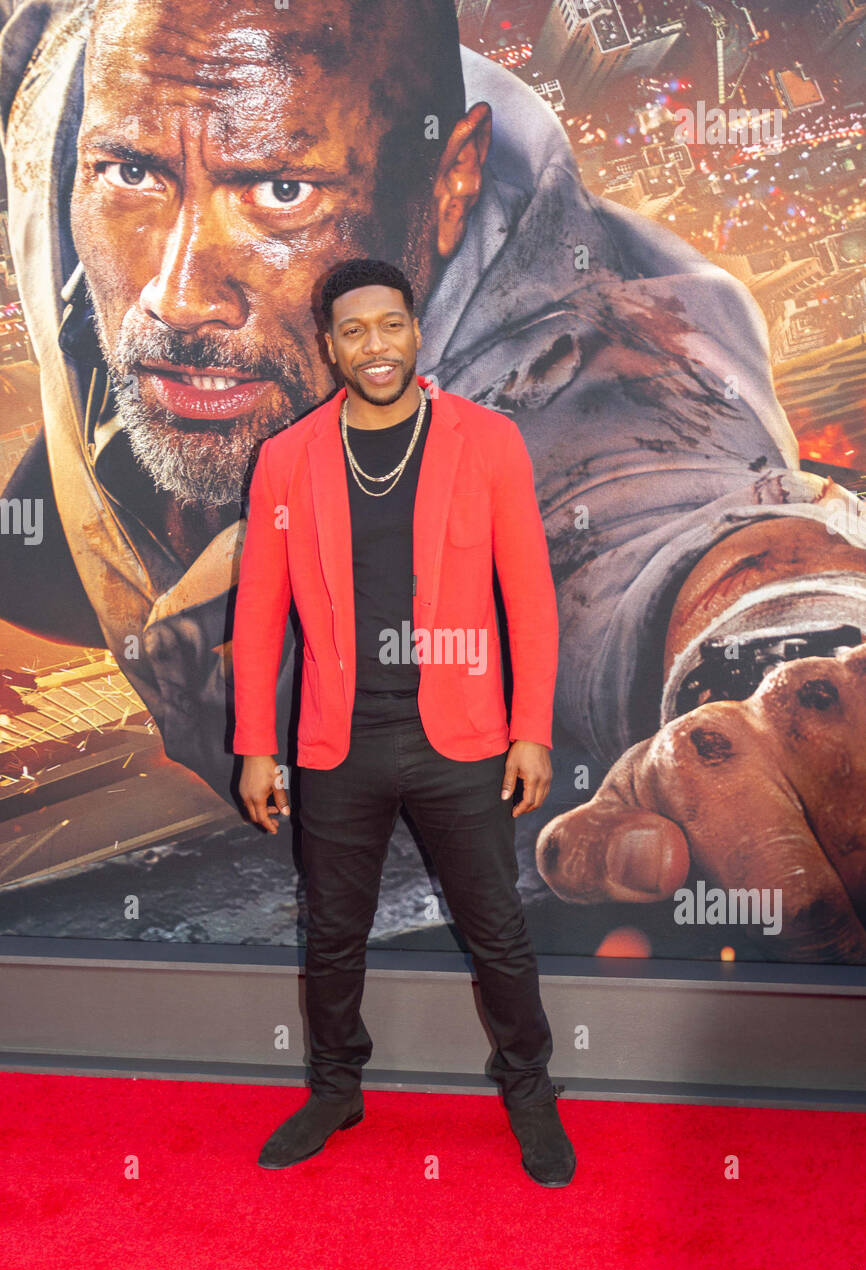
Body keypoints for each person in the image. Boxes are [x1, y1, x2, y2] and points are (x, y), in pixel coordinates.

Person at [3, 0, 866, 957]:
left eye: (282, 190)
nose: (178, 294)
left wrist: (783, 665)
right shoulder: (76, 63)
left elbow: (653, 500)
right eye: (131, 173)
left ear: (450, 186)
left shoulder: (561, 358)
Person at [233, 258, 574, 1186]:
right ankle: (336, 1088)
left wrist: (530, 725)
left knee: (496, 930)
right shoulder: (287, 459)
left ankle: (531, 1091)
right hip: (336, 740)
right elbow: (259, 612)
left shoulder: (487, 440)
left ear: (413, 330)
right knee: (332, 934)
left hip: (459, 733)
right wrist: (257, 746)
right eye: (353, 331)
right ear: (330, 345)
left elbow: (530, 601)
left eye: (389, 325)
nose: (373, 346)